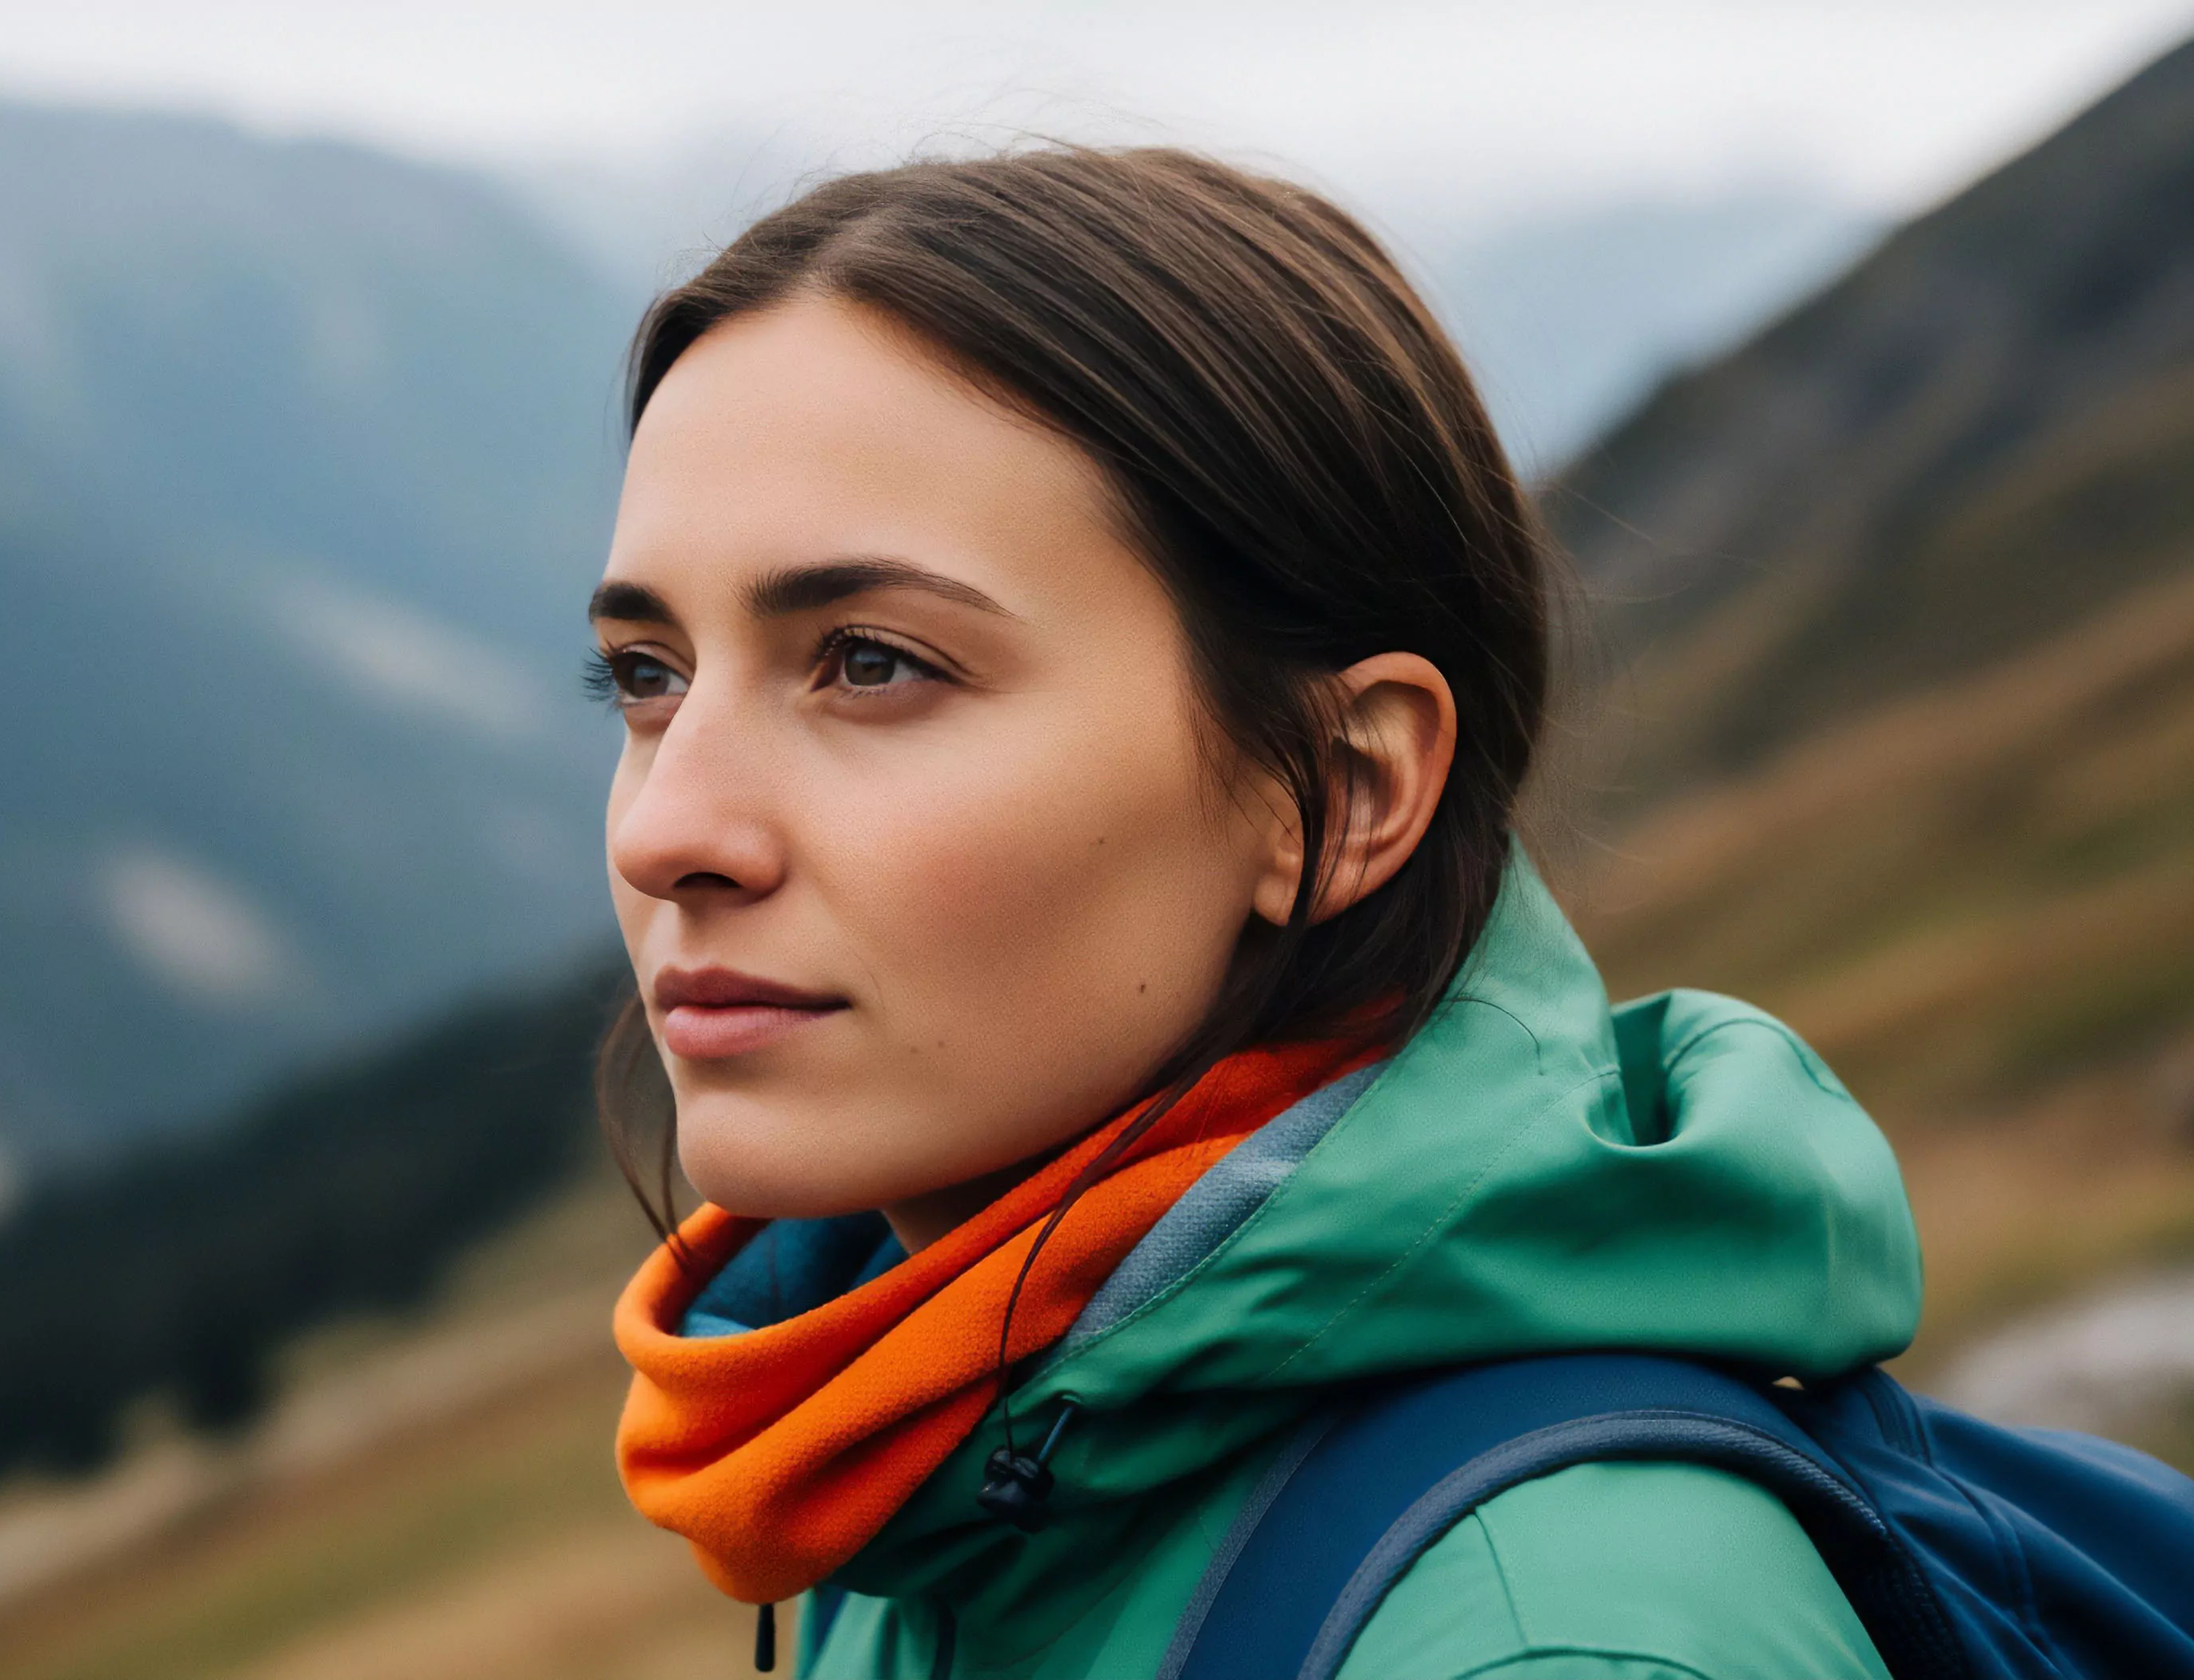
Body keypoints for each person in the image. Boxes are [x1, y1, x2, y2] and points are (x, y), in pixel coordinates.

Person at [590, 148, 1912, 1679]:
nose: (667, 830)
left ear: (1337, 793)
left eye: (873, 662)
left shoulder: (1548, 1643)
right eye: (645, 676)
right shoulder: (916, 1455)